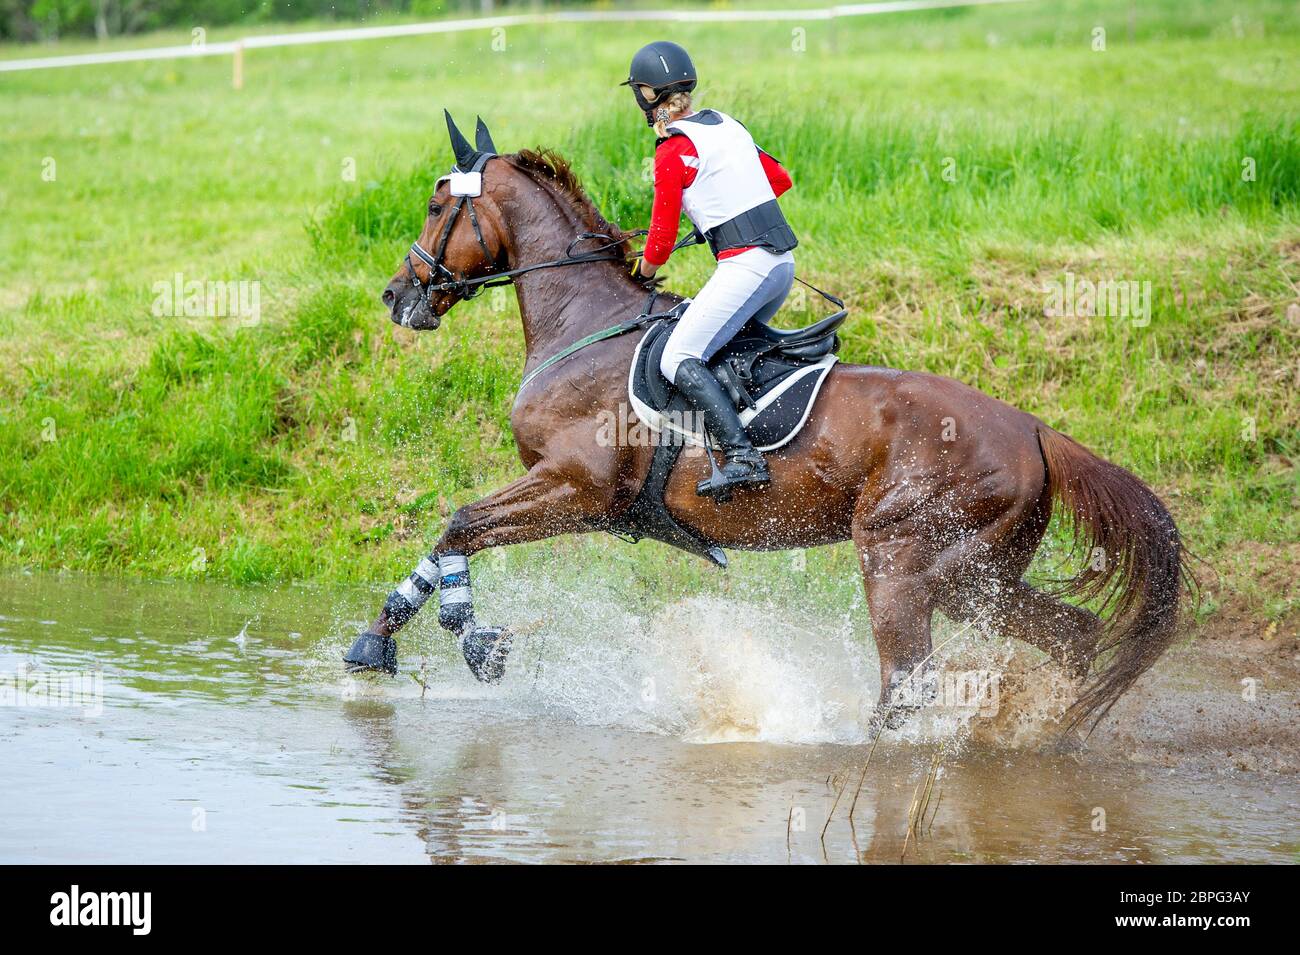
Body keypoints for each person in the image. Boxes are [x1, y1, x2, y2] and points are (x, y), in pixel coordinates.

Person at [622, 40, 798, 500]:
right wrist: (722, 206)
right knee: (718, 349)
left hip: (746, 268)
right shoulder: (727, 125)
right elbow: (780, 180)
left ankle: (742, 457)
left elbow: (660, 237)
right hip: (781, 266)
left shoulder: (671, 150)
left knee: (677, 357)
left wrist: (643, 270)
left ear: (645, 94)